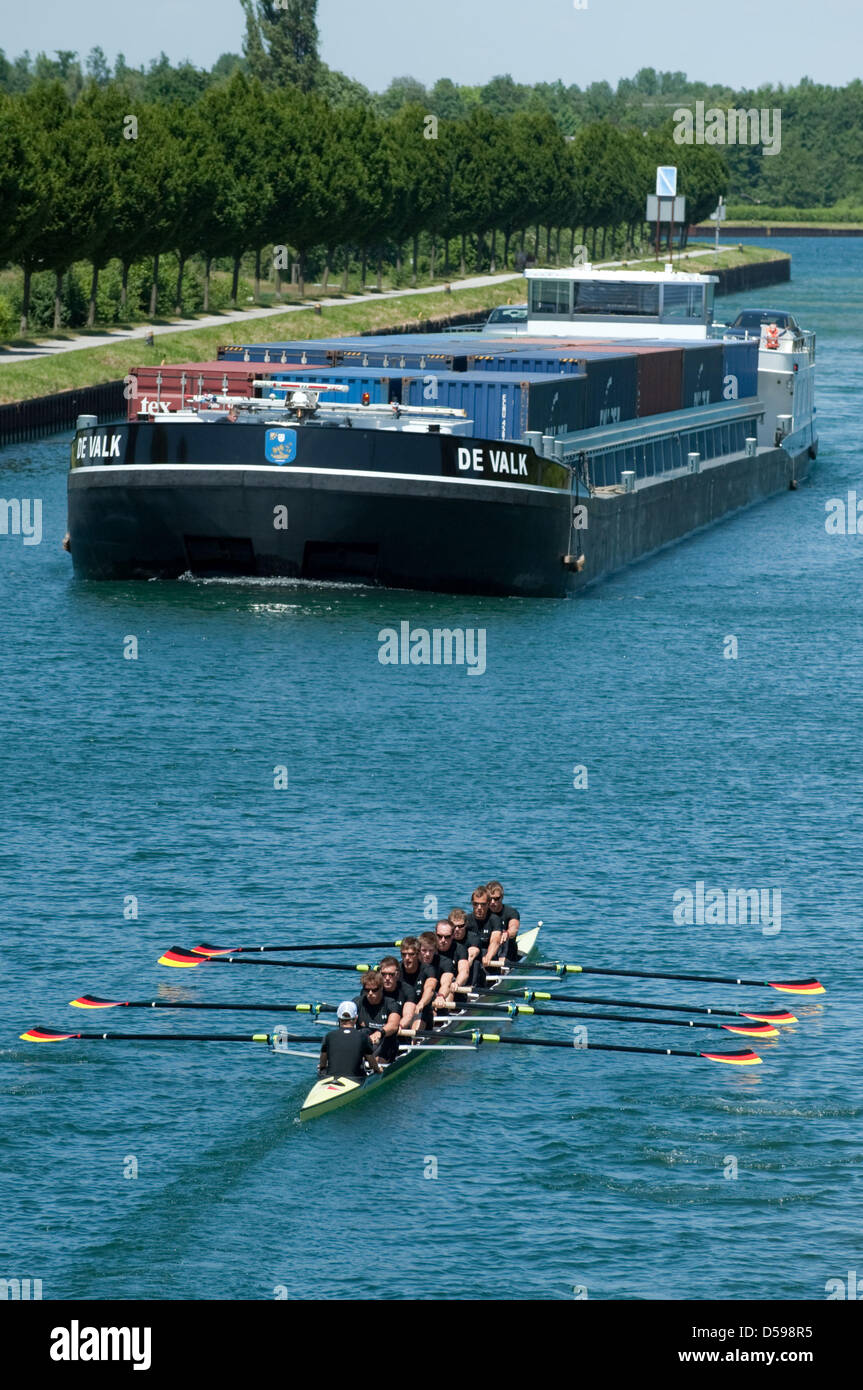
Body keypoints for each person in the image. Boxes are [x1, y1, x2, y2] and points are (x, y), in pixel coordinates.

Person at [318, 1001, 382, 1079]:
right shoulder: (364, 1037)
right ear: (356, 1018)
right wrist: (378, 1070)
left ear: (339, 1018)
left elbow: (322, 1064)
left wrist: (322, 1070)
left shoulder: (328, 1036)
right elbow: (372, 1064)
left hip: (330, 1078)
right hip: (356, 1079)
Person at [355, 969, 403, 1061]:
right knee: (363, 1032)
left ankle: (378, 1063)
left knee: (388, 1038)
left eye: (374, 990)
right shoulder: (357, 1002)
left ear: (381, 988)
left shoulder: (391, 1004)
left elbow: (393, 1025)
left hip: (386, 1042)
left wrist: (380, 1033)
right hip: (366, 1042)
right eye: (367, 990)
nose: (370, 993)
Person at [398, 937, 438, 1032]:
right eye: (404, 954)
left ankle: (413, 1041)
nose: (407, 958)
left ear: (418, 954)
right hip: (402, 1011)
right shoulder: (396, 970)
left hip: (421, 1011)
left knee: (420, 1014)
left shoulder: (427, 969)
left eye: (411, 954)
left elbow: (430, 988)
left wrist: (421, 1003)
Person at [464, 887, 504, 969]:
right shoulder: (466, 920)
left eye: (483, 904)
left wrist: (488, 957)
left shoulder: (495, 920)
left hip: (488, 958)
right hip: (470, 956)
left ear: (488, 904)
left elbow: (495, 940)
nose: (479, 908)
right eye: (476, 904)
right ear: (472, 903)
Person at [418, 930, 456, 1012]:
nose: (427, 954)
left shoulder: (445, 962)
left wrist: (441, 996)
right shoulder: (413, 963)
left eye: (430, 951)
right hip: (421, 994)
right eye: (424, 950)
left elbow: (446, 983)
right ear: (418, 950)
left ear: (435, 950)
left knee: (450, 990)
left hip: (440, 994)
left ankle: (445, 1016)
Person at [379, 955, 418, 1030]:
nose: (387, 978)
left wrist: (396, 1028)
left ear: (397, 975)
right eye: (384, 974)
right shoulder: (373, 990)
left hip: (399, 1029)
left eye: (391, 974)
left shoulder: (408, 990)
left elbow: (408, 1015)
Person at [449, 907, 484, 988]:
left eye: (461, 926)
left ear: (466, 924)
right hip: (453, 973)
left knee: (475, 963)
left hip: (471, 973)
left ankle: (471, 987)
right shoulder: (446, 939)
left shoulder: (473, 938)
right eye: (454, 926)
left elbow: (471, 956)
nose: (457, 929)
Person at [487, 881, 521, 961]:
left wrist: (507, 933)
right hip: (489, 951)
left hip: (508, 953)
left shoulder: (511, 912)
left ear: (502, 897)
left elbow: (514, 927)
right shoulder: (483, 913)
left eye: (496, 899)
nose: (492, 902)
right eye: (490, 899)